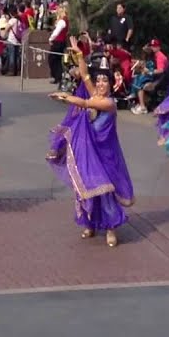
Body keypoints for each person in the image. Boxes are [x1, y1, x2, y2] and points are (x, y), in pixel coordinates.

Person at [47, 47, 135, 247]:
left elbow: (86, 103)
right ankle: (89, 223)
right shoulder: (95, 94)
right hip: (87, 152)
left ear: (111, 84)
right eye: (99, 81)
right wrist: (79, 56)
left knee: (104, 189)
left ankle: (111, 228)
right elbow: (85, 74)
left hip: (105, 154)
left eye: (105, 81)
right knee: (84, 186)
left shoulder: (109, 103)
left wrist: (65, 97)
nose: (101, 84)